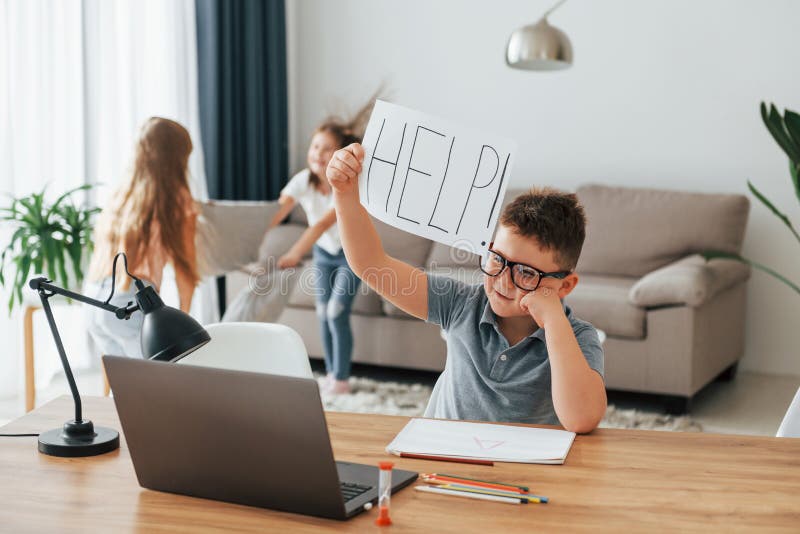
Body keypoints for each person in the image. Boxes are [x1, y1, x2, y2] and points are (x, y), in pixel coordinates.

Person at [326, 143, 607, 432]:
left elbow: (581, 419)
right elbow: (372, 265)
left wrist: (554, 322)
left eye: (526, 273)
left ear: (565, 285)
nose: (503, 280)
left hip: (520, 459)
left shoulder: (578, 337)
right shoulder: (462, 303)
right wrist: (344, 193)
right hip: (443, 452)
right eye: (497, 259)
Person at [263, 104, 373, 395]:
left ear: (340, 154)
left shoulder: (348, 186)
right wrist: (252, 231)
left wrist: (295, 253)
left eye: (327, 149)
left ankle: (342, 378)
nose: (318, 154)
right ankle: (331, 374)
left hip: (352, 255)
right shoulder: (303, 180)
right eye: (315, 147)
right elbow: (277, 211)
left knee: (336, 311)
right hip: (325, 255)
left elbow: (321, 225)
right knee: (323, 312)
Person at [85, 117, 200, 359]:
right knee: (160, 376)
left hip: (94, 298)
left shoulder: (123, 193)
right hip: (130, 301)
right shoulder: (177, 200)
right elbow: (185, 270)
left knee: (123, 378)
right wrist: (181, 321)